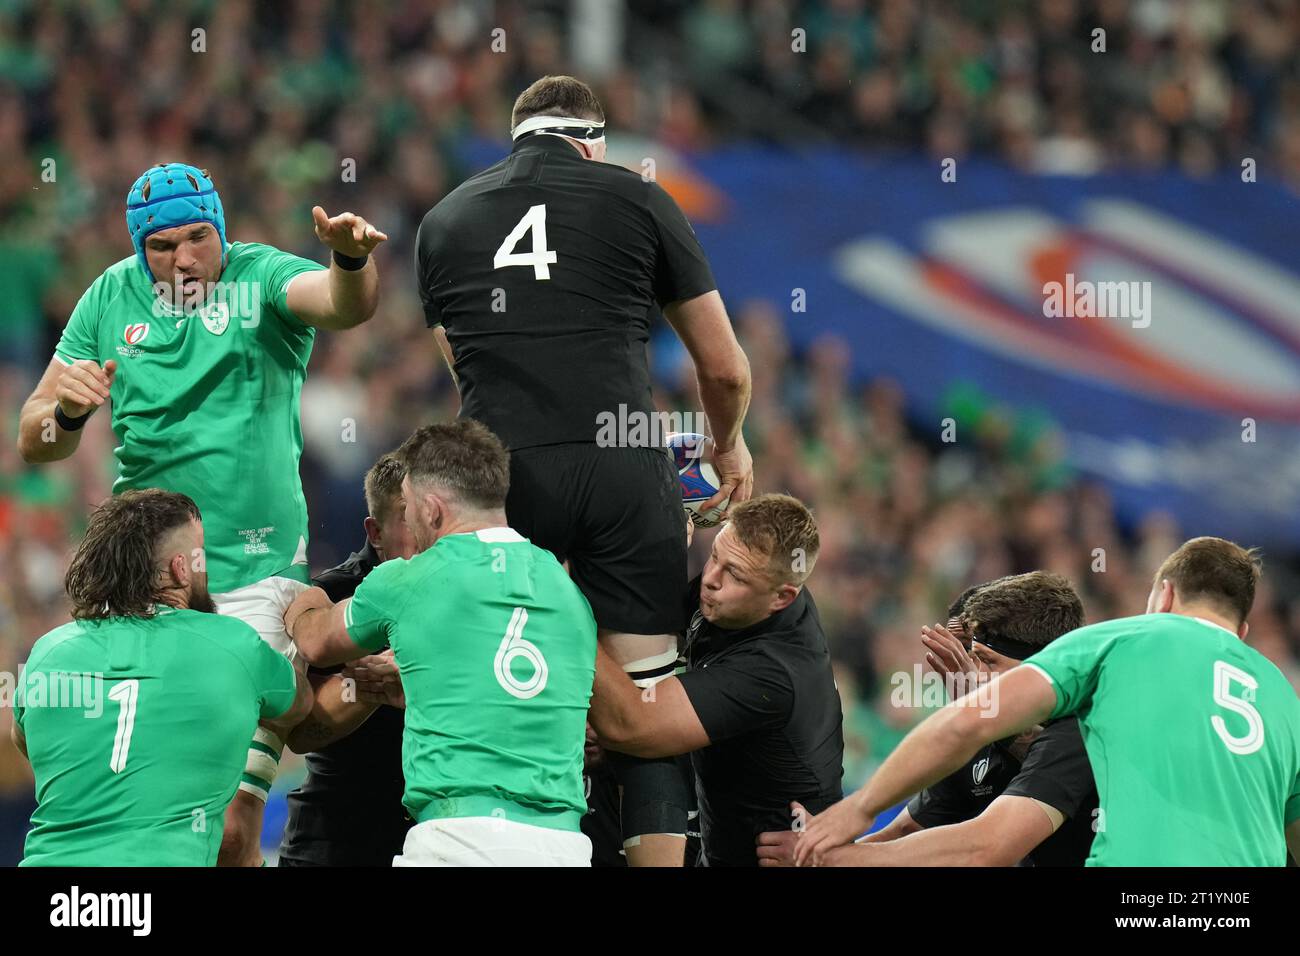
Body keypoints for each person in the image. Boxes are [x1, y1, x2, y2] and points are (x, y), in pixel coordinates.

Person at [414, 75, 753, 865]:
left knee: (501, 681)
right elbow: (727, 371)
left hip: (497, 480)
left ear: (517, 136)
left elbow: (467, 372)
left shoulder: (443, 221)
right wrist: (727, 444)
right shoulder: (639, 198)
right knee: (648, 701)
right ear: (594, 141)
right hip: (625, 465)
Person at [14, 162, 387, 865]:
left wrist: (349, 257)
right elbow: (34, 441)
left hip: (250, 580)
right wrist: (65, 413)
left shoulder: (260, 277)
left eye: (197, 237)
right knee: (136, 803)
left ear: (221, 230)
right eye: (162, 246)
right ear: (137, 249)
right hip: (134, 584)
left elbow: (343, 303)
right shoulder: (109, 299)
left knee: (232, 827)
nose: (184, 258)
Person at [796, 537, 1300, 867]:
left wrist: (854, 813)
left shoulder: (1120, 642)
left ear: (1163, 598)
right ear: (1243, 631)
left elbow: (968, 728)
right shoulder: (1284, 698)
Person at [284, 420, 596, 866]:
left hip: (457, 842)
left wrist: (303, 592)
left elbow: (314, 641)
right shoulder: (567, 589)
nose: (408, 518)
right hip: (563, 845)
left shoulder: (407, 579)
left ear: (431, 510)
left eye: (408, 506)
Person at [11, 490, 311, 866]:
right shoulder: (233, 644)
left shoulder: (46, 653)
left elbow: (25, 741)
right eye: (202, 555)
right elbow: (300, 702)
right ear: (180, 568)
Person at [757, 571, 1099, 866]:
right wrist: (812, 852)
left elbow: (986, 848)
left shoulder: (1084, 731)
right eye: (971, 657)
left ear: (1045, 663)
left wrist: (830, 857)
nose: (973, 677)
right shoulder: (983, 736)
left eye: (988, 662)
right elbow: (903, 832)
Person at [588, 493, 844, 866]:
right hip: (720, 849)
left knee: (647, 744)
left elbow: (632, 725)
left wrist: (566, 611)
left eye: (735, 574)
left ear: (782, 598)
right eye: (715, 556)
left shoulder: (774, 672)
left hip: (784, 857)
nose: (710, 579)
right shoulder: (747, 597)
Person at [278, 452, 416, 866]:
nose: (429, 539)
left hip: (437, 839)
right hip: (337, 839)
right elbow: (301, 733)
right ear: (375, 532)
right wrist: (370, 689)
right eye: (411, 522)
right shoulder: (330, 600)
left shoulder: (467, 587)